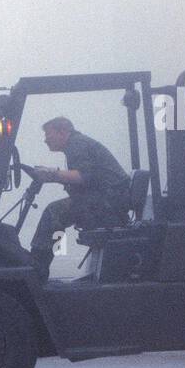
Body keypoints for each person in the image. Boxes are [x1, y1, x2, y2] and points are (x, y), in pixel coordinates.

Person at [29, 117, 130, 281]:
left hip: (107, 203)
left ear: (62, 132)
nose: (45, 139)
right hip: (108, 201)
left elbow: (83, 176)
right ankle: (38, 265)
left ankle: (36, 269)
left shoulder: (76, 144)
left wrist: (52, 174)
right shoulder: (77, 145)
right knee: (57, 210)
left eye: (49, 134)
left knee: (54, 212)